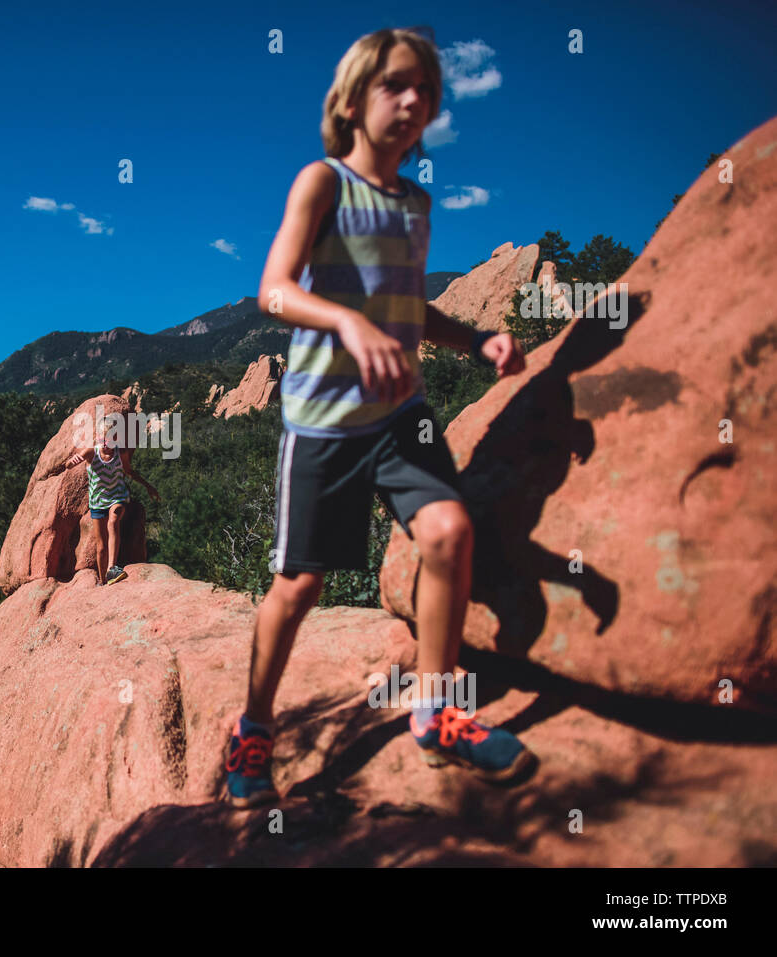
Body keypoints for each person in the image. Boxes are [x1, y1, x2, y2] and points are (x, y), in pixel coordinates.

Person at [224, 26, 534, 808]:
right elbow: (274, 289)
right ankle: (253, 728)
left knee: (448, 533)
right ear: (354, 98)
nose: (412, 101)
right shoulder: (322, 183)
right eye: (396, 85)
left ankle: (434, 715)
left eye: (425, 91)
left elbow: (410, 307)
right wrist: (347, 323)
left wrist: (474, 339)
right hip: (324, 421)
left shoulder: (415, 202)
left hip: (402, 416)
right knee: (299, 586)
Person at [64, 418, 160, 585]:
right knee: (101, 547)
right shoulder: (91, 452)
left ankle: (112, 568)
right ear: (98, 437)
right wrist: (70, 463)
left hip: (117, 496)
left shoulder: (119, 453)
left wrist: (148, 486)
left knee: (114, 520)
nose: (105, 442)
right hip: (97, 501)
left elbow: (129, 472)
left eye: (110, 439)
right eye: (102, 438)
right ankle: (103, 581)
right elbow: (68, 465)